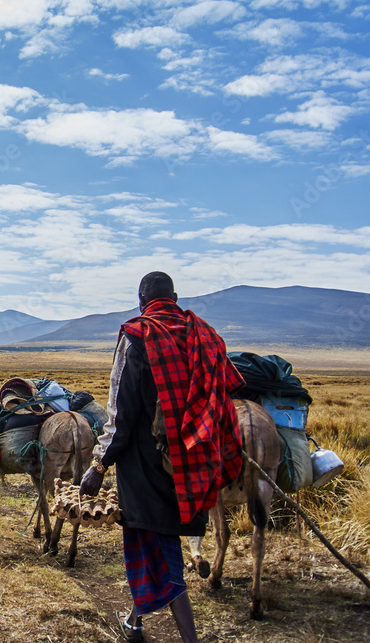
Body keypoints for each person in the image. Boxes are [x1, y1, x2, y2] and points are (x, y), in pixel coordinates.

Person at [79, 272, 244, 643]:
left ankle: (190, 639)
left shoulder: (137, 335)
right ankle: (134, 624)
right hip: (196, 462)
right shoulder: (205, 335)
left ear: (142, 301)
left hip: (146, 467)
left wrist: (99, 465)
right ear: (175, 297)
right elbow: (224, 394)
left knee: (162, 554)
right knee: (158, 545)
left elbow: (121, 414)